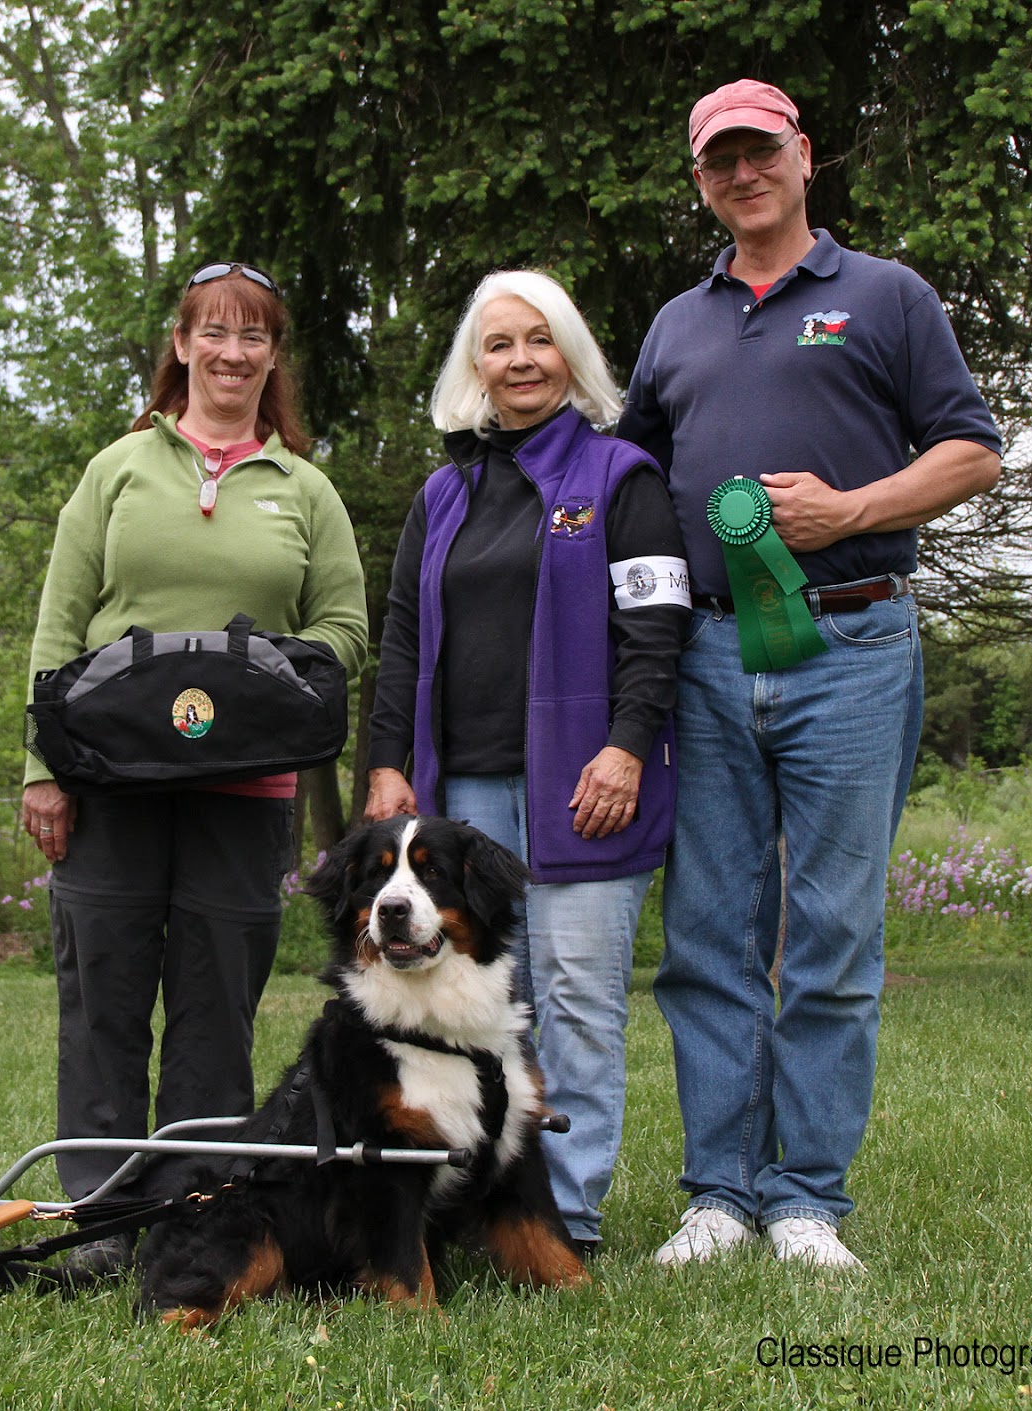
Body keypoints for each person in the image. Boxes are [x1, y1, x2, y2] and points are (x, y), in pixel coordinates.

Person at [617, 79, 1002, 1268]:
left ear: (803, 157)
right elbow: (631, 479)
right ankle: (717, 1197)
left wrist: (853, 511)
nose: (741, 174)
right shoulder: (675, 324)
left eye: (758, 151)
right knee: (707, 931)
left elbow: (972, 451)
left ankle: (804, 1201)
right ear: (701, 181)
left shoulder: (886, 295)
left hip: (851, 643)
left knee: (830, 929)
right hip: (709, 656)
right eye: (717, 161)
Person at [21, 261, 368, 1275]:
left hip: (243, 793)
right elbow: (58, 623)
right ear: (181, 346)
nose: (230, 351)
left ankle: (192, 1219)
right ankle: (99, 1225)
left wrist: (263, 676)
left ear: (273, 355)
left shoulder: (304, 489)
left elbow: (344, 624)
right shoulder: (117, 469)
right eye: (210, 332)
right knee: (104, 1003)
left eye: (251, 335)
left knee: (217, 1012)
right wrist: (42, 767)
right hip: (110, 783)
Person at [365, 269, 690, 1256]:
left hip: (587, 787)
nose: (520, 361)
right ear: (475, 364)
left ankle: (569, 1213)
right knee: (481, 1007)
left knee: (580, 1002)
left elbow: (657, 627)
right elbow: (403, 637)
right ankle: (480, 1202)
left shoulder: (622, 477)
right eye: (498, 344)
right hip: (461, 798)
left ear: (572, 356)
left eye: (539, 341)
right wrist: (387, 764)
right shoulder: (441, 492)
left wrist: (626, 748)